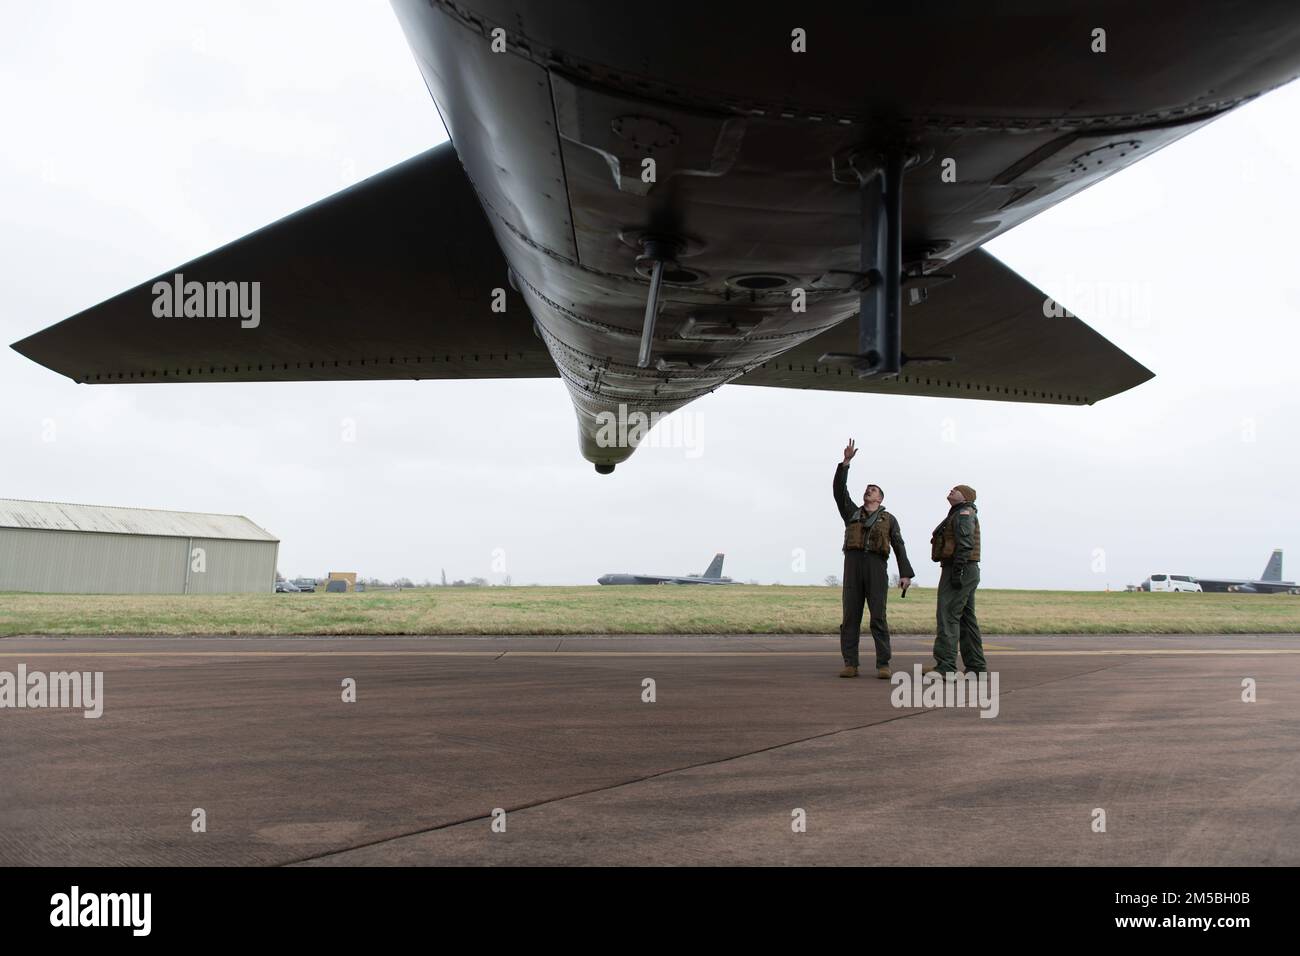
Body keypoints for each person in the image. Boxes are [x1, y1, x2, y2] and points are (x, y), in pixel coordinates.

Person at [833, 439, 914, 679]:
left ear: (879, 498)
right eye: (867, 489)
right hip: (853, 565)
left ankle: (883, 665)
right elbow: (839, 491)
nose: (869, 491)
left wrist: (905, 573)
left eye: (874, 489)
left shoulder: (889, 519)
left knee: (878, 617)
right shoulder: (851, 513)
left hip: (876, 567)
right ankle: (850, 663)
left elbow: (898, 545)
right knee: (850, 617)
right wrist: (845, 463)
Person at [926, 484, 986, 677]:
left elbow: (965, 544)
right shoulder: (960, 513)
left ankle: (946, 666)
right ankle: (976, 666)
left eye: (956, 490)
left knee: (948, 615)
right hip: (967, 569)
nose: (951, 491)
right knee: (967, 619)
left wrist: (957, 571)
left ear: (966, 496)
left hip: (959, 567)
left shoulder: (963, 514)